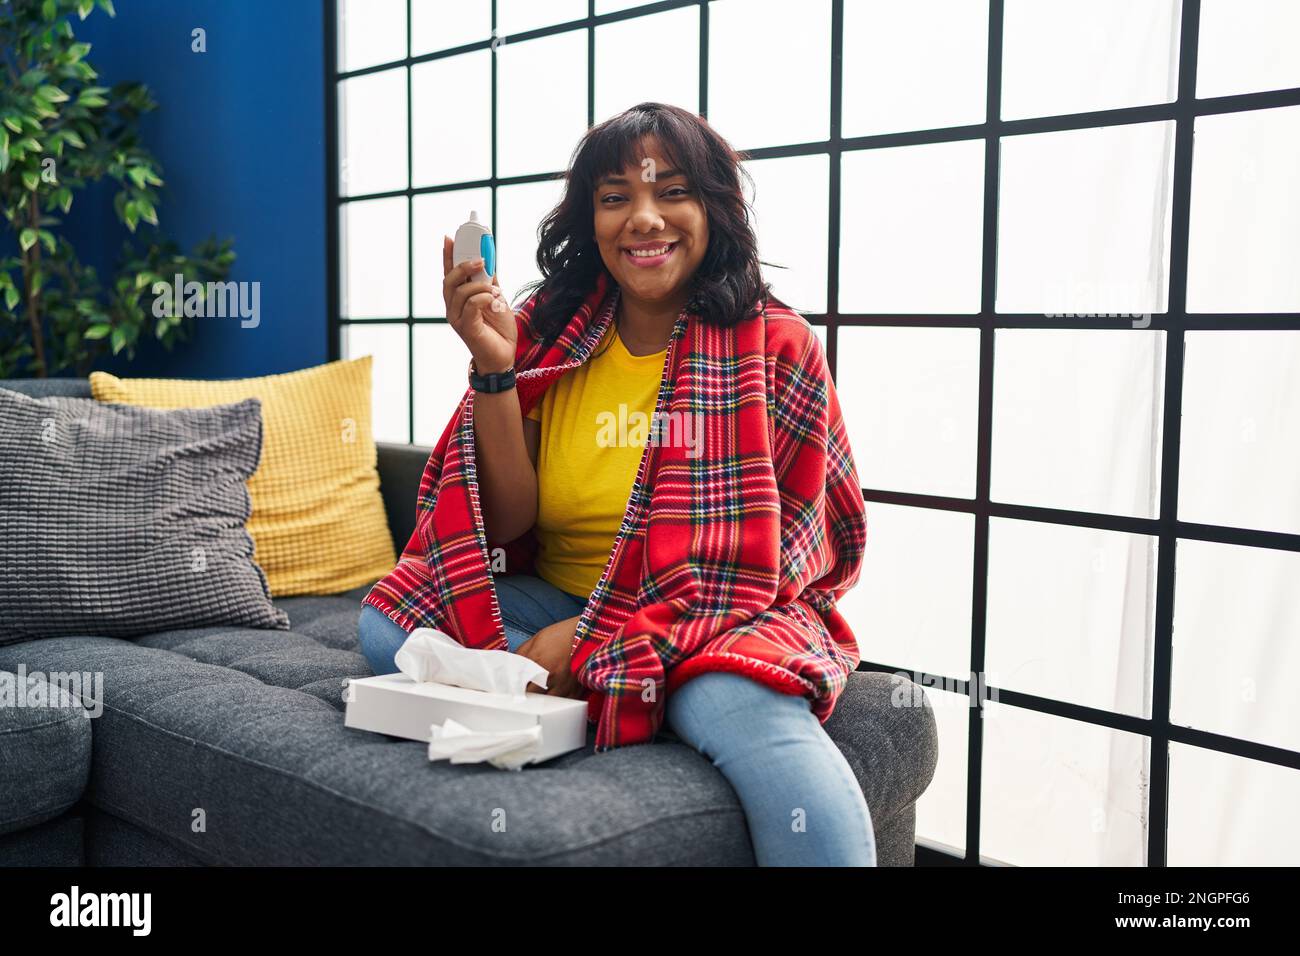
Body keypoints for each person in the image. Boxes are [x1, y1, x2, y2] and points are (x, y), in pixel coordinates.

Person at [358, 102, 874, 866]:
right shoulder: (551, 328)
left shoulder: (776, 343)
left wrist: (598, 637)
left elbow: (801, 548)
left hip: (716, 618)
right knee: (391, 620)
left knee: (759, 724)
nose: (644, 218)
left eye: (673, 191)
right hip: (556, 594)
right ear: (590, 219)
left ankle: (615, 678)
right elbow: (504, 525)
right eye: (614, 197)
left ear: (713, 208)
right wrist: (496, 370)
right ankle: (624, 686)